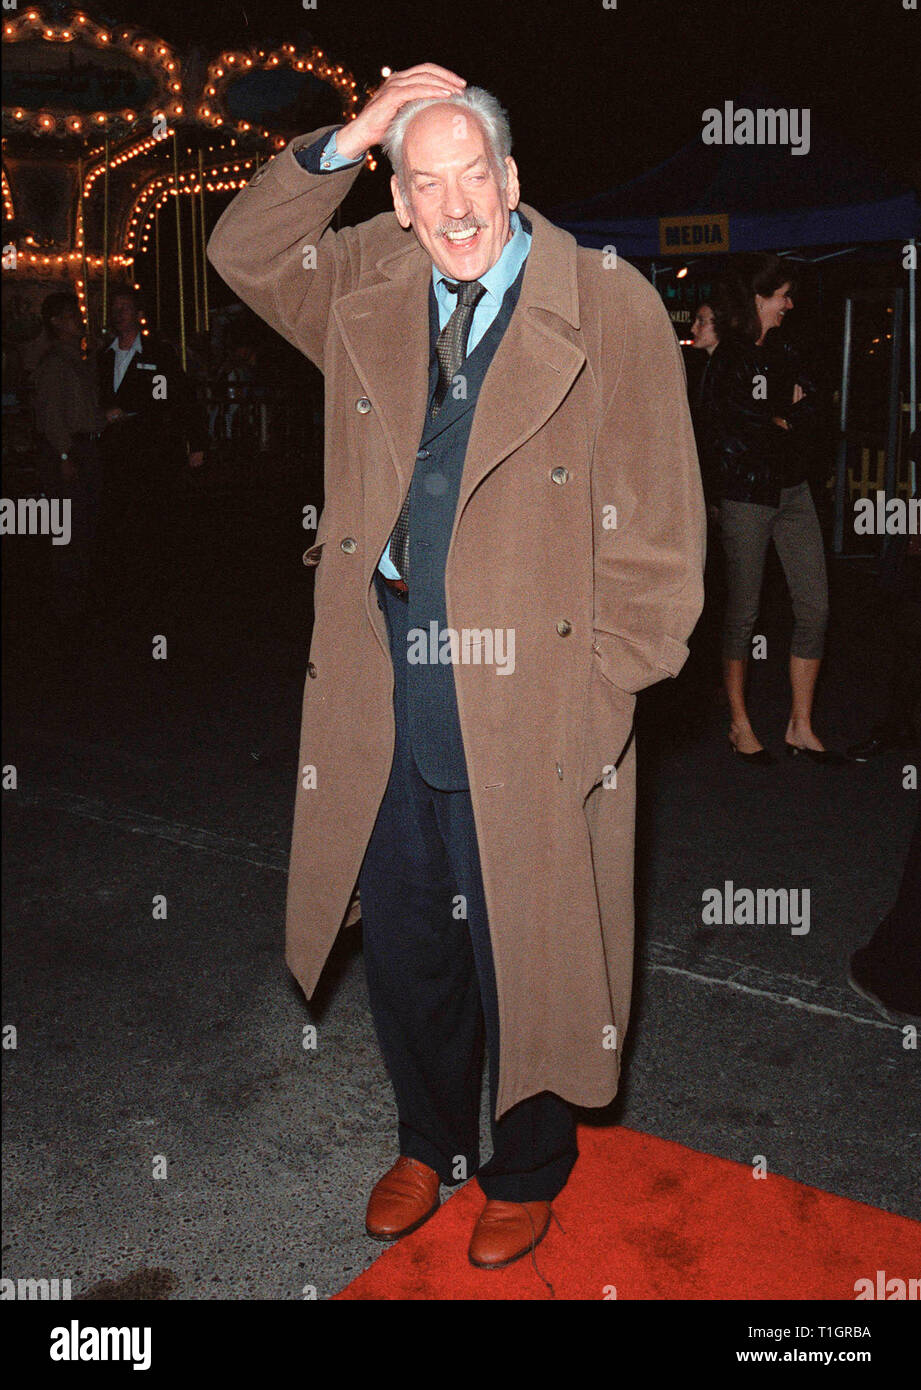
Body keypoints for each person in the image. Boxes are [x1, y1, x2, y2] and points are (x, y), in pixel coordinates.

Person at [208, 63, 705, 1270]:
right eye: (422, 183)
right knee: (415, 939)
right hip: (388, 678)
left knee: (528, 943)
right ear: (402, 200)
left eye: (470, 173)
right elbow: (242, 250)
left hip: (535, 695)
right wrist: (356, 130)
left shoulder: (608, 303)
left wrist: (601, 705)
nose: (453, 205)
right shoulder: (370, 289)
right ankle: (430, 1142)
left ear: (511, 178)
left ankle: (527, 1164)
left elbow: (660, 538)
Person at [701, 254, 843, 765]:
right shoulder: (729, 359)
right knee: (743, 612)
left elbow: (816, 408)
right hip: (747, 495)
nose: (789, 303)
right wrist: (779, 421)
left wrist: (786, 420)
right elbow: (731, 430)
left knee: (815, 607)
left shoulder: (787, 348)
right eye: (782, 294)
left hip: (794, 491)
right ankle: (740, 724)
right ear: (760, 298)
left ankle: (800, 725)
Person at [96, 288, 207, 587]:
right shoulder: (103, 357)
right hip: (115, 450)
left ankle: (157, 574)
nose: (120, 314)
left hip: (152, 448)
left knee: (153, 512)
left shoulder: (158, 354)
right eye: (115, 308)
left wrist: (196, 444)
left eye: (126, 308)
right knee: (117, 512)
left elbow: (184, 399)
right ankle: (119, 575)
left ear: (138, 314)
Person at [31, 292, 110, 626]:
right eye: (71, 315)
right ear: (56, 322)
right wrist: (64, 453)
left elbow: (84, 404)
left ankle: (77, 599)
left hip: (84, 447)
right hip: (70, 451)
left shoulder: (74, 361)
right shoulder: (54, 364)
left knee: (83, 525)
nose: (79, 320)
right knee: (69, 528)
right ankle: (66, 605)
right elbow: (51, 414)